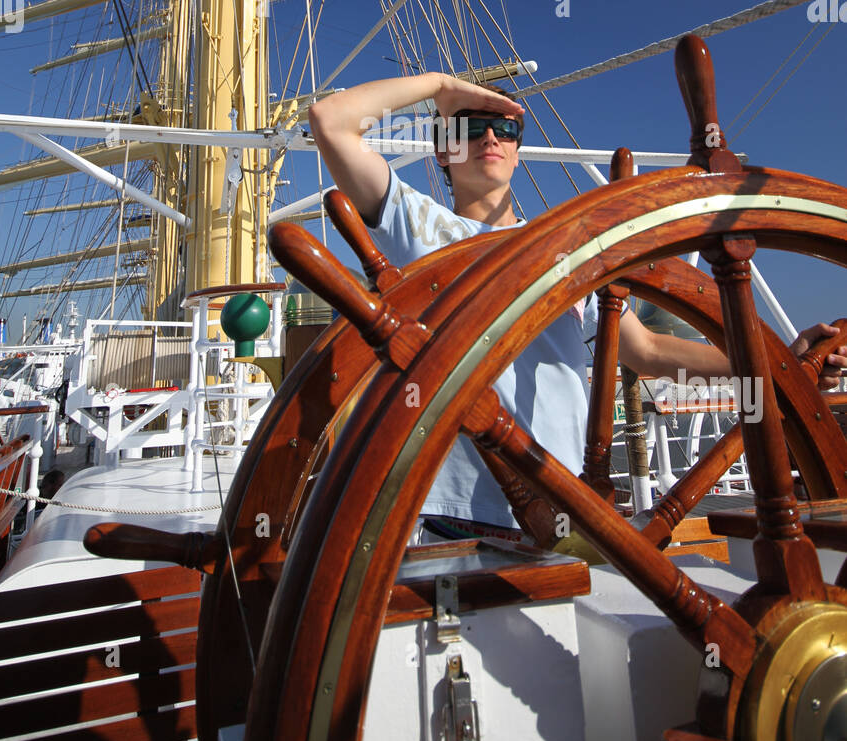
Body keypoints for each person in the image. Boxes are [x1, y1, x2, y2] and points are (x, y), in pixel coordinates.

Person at [309, 71, 847, 534]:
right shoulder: (419, 226)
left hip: (565, 499)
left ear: (518, 149)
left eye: (505, 126)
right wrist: (442, 87)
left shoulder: (566, 251)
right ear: (443, 152)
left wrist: (782, 363)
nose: (490, 135)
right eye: (468, 127)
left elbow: (652, 353)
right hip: (454, 509)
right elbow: (331, 118)